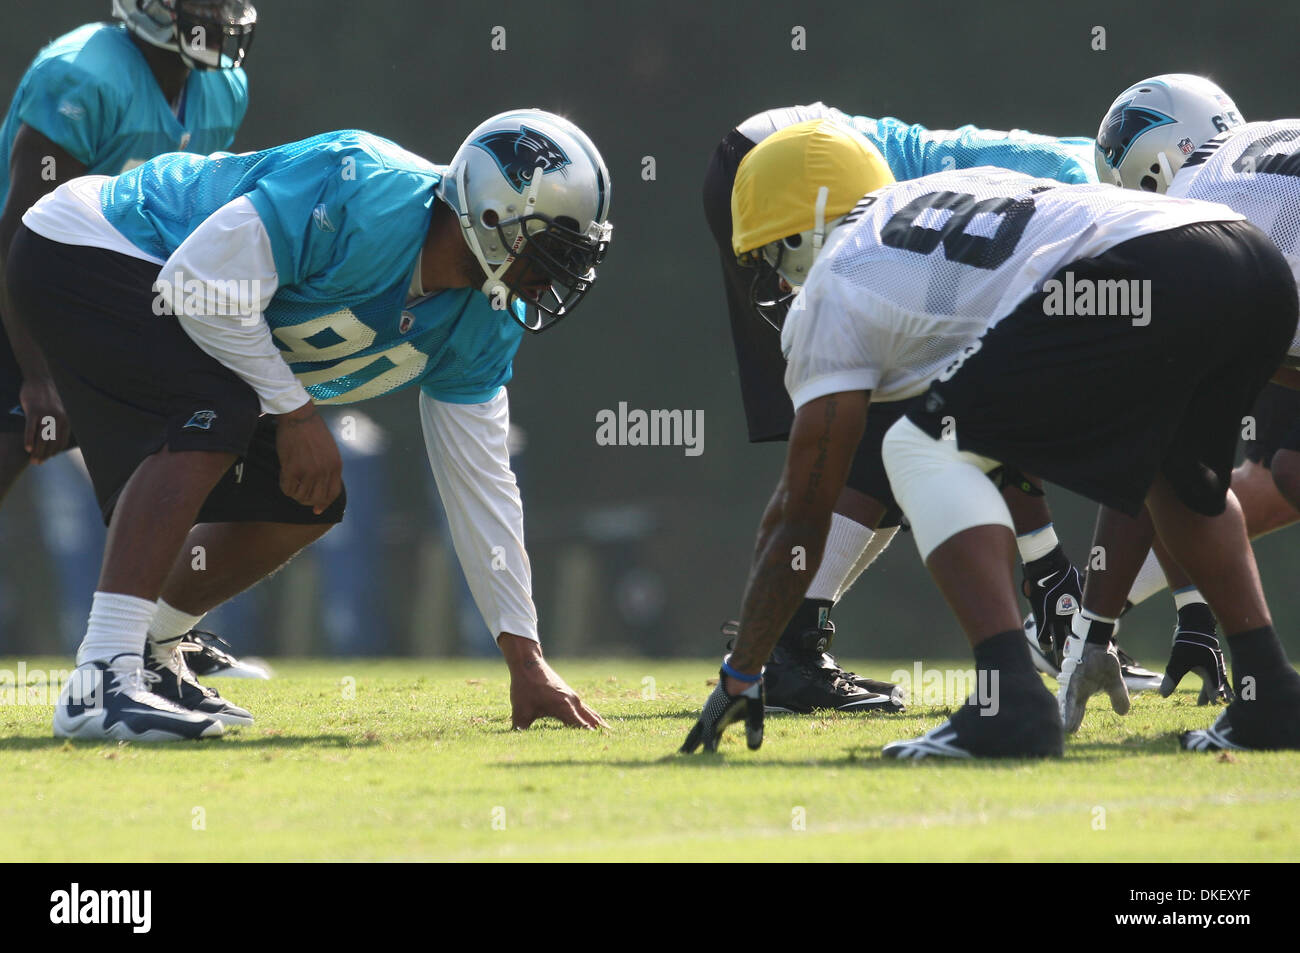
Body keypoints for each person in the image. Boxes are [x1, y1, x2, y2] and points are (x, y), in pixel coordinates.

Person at [681, 118, 1300, 757]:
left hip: (1137, 270)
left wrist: (743, 669)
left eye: (775, 255)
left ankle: (1008, 702)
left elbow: (802, 508)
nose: (782, 283)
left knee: (915, 445)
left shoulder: (843, 274)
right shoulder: (946, 204)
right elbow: (1001, 426)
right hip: (1250, 259)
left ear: (805, 227)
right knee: (1177, 475)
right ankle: (1271, 694)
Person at [7, 110, 613, 740]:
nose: (555, 275)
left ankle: (152, 651)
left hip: (172, 292)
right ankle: (102, 677)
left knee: (305, 498)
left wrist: (526, 659)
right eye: (549, 250)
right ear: (491, 215)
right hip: (91, 241)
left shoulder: (486, 317)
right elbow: (200, 283)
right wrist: (295, 413)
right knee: (215, 414)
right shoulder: (363, 188)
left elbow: (482, 486)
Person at [702, 103, 1158, 714]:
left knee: (893, 427)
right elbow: (990, 386)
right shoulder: (1090, 202)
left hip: (792, 174)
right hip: (786, 181)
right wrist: (1047, 566)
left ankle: (790, 641)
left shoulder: (1094, 185)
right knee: (872, 426)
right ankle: (783, 653)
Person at [0, 0, 259, 683]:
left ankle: (161, 635)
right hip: (21, 295)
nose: (223, 17)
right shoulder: (82, 76)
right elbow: (17, 233)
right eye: (206, 6)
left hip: (119, 307)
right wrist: (38, 375)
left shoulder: (221, 86)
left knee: (185, 450)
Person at [1070, 74, 1300, 745]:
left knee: (1173, 462)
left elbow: (1149, 459)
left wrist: (1093, 629)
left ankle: (1269, 697)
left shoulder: (1188, 223)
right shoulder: (1258, 158)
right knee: (1288, 470)